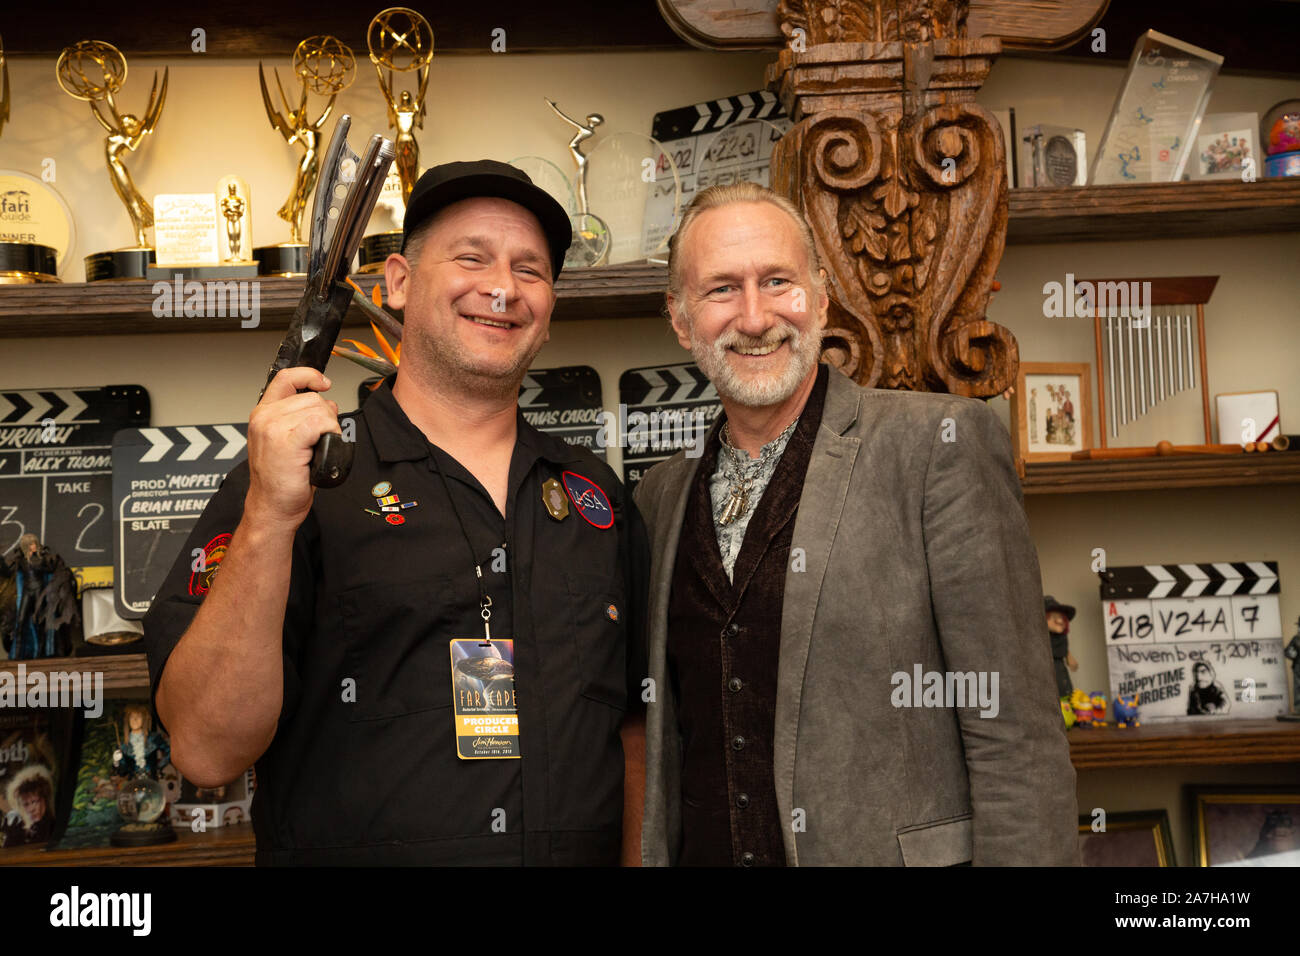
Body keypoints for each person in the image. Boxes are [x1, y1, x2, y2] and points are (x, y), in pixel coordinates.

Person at [143, 160, 648, 865]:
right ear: (399, 284)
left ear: (550, 308)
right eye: (471, 257)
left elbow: (633, 731)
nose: (502, 286)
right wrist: (267, 518)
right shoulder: (295, 483)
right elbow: (204, 748)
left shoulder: (597, 498)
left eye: (529, 270)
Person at [635, 182, 1078, 866]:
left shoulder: (938, 448)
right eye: (721, 289)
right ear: (681, 318)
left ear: (820, 293)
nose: (754, 317)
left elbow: (1015, 738)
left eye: (777, 281)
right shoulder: (660, 496)